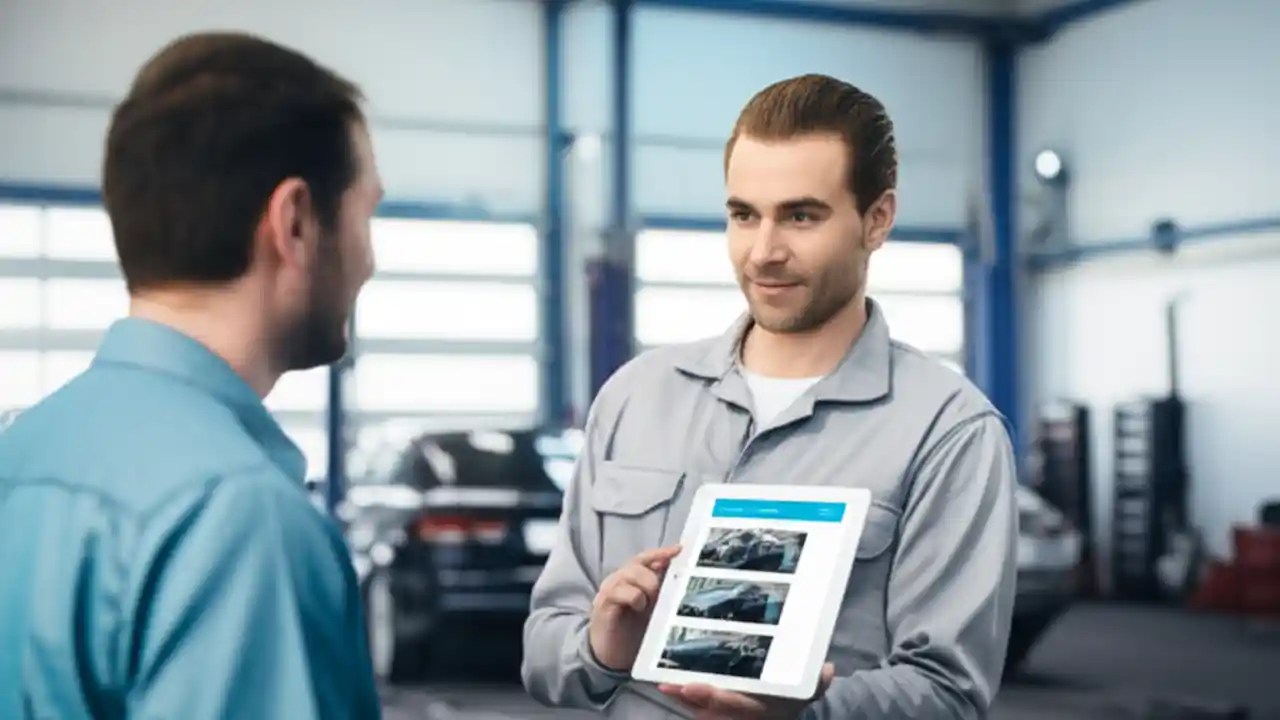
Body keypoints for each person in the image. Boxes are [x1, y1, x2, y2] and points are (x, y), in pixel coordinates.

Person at [522, 73, 1017, 719]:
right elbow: (543, 650)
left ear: (877, 219)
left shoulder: (950, 432)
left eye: (801, 215)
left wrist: (806, 714)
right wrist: (601, 647)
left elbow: (949, 693)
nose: (764, 252)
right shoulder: (635, 398)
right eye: (743, 215)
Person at [0, 32, 383, 719]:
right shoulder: (240, 518)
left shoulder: (26, 453)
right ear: (294, 222)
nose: (370, 261)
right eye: (366, 215)